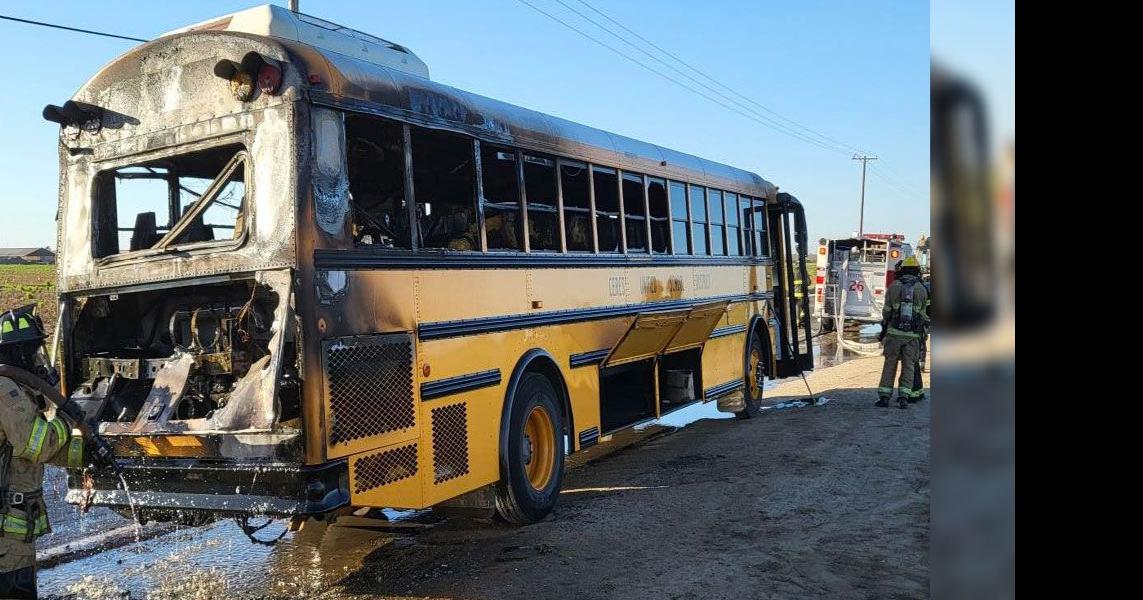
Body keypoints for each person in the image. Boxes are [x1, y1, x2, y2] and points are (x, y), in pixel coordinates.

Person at [0, 306, 88, 599]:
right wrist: (68, 418)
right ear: (19, 352)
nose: (38, 358)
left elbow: (25, 452)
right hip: (7, 534)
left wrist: (85, 456)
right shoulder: (6, 390)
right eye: (34, 350)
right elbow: (38, 446)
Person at [876, 257, 929, 409]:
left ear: (902, 269)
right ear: (917, 271)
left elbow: (886, 312)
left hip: (894, 334)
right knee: (909, 366)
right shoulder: (921, 289)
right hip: (913, 336)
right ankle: (904, 397)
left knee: (890, 364)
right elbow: (924, 315)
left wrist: (888, 322)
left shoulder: (893, 286)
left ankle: (884, 397)